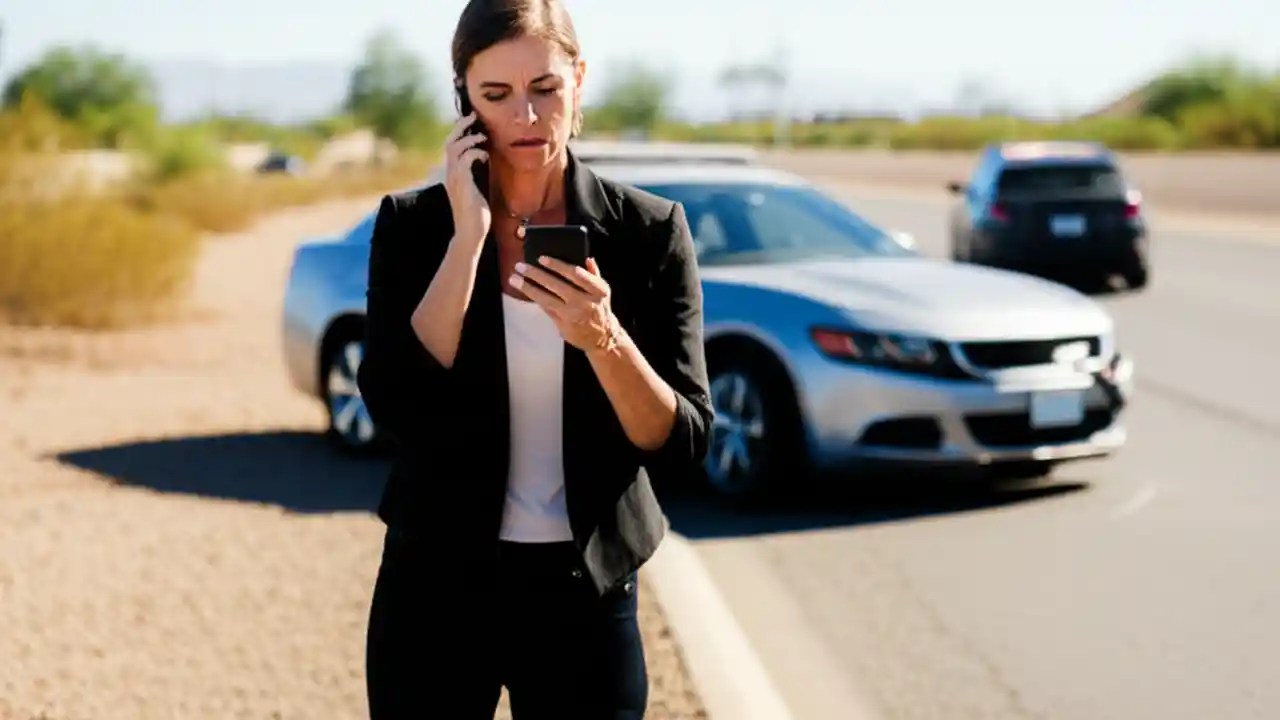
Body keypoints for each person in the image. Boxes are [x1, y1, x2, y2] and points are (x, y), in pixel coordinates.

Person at [355, 0, 713, 717]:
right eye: (496, 94)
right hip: (436, 587)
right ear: (463, 98)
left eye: (545, 89)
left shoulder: (648, 233)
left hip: (585, 591)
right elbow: (397, 407)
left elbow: (682, 443)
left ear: (579, 81)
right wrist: (467, 241)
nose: (525, 115)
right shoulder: (414, 227)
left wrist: (604, 338)